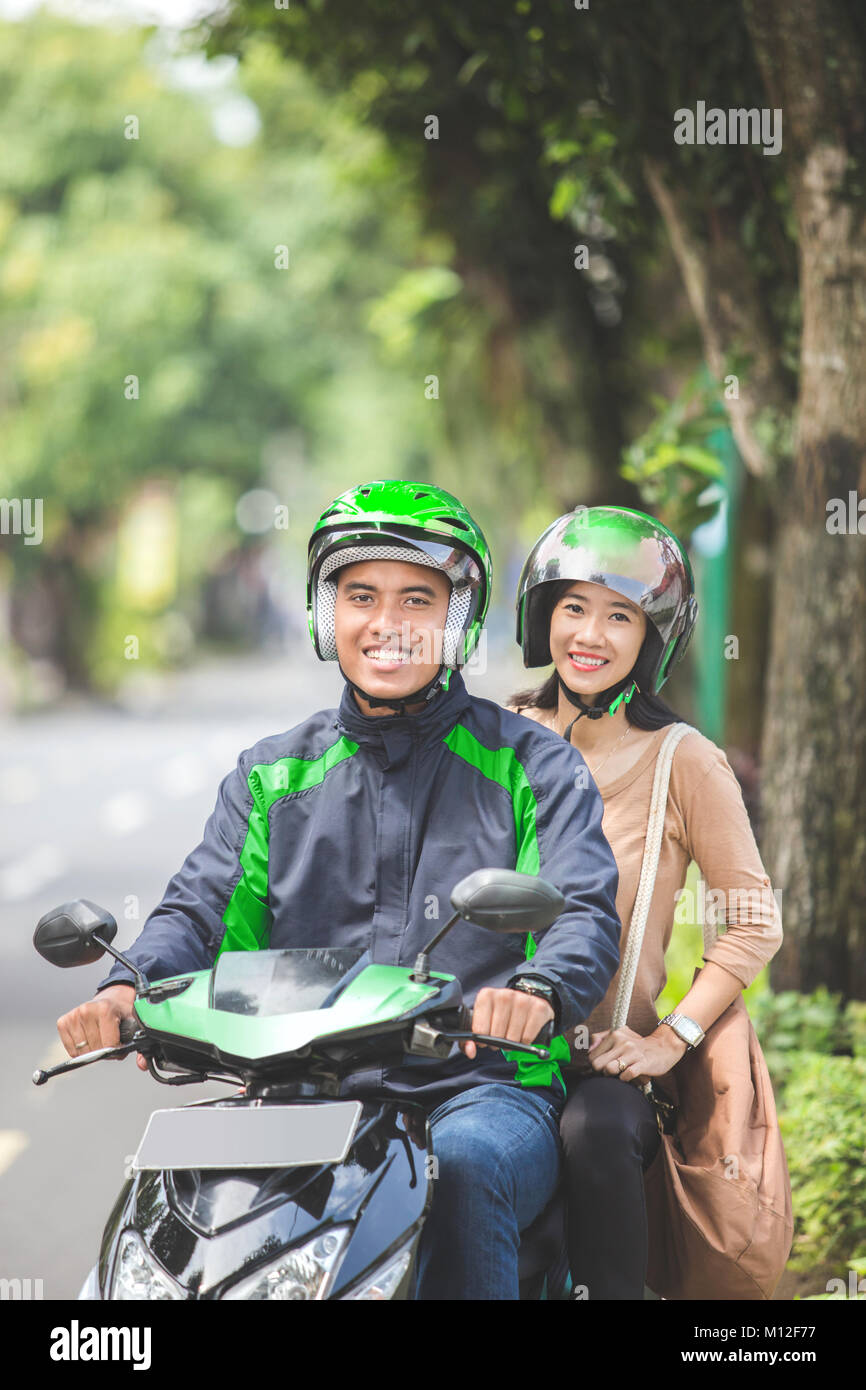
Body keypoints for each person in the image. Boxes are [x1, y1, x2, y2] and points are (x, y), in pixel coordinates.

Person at [56, 479, 622, 1301]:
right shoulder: (273, 774)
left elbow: (577, 909)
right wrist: (124, 985)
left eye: (417, 599)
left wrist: (535, 989)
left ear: (459, 617)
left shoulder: (531, 765)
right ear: (328, 612)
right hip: (297, 1095)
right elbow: (202, 908)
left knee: (459, 1169)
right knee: (174, 1199)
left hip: (474, 1092)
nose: (386, 622)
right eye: (360, 595)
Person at [507, 505, 784, 1300]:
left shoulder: (684, 761)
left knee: (597, 1132)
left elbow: (753, 923)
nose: (589, 635)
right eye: (572, 608)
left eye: (619, 615)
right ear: (542, 618)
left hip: (601, 1066)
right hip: (479, 1052)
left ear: (651, 637)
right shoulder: (494, 736)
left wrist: (671, 1037)